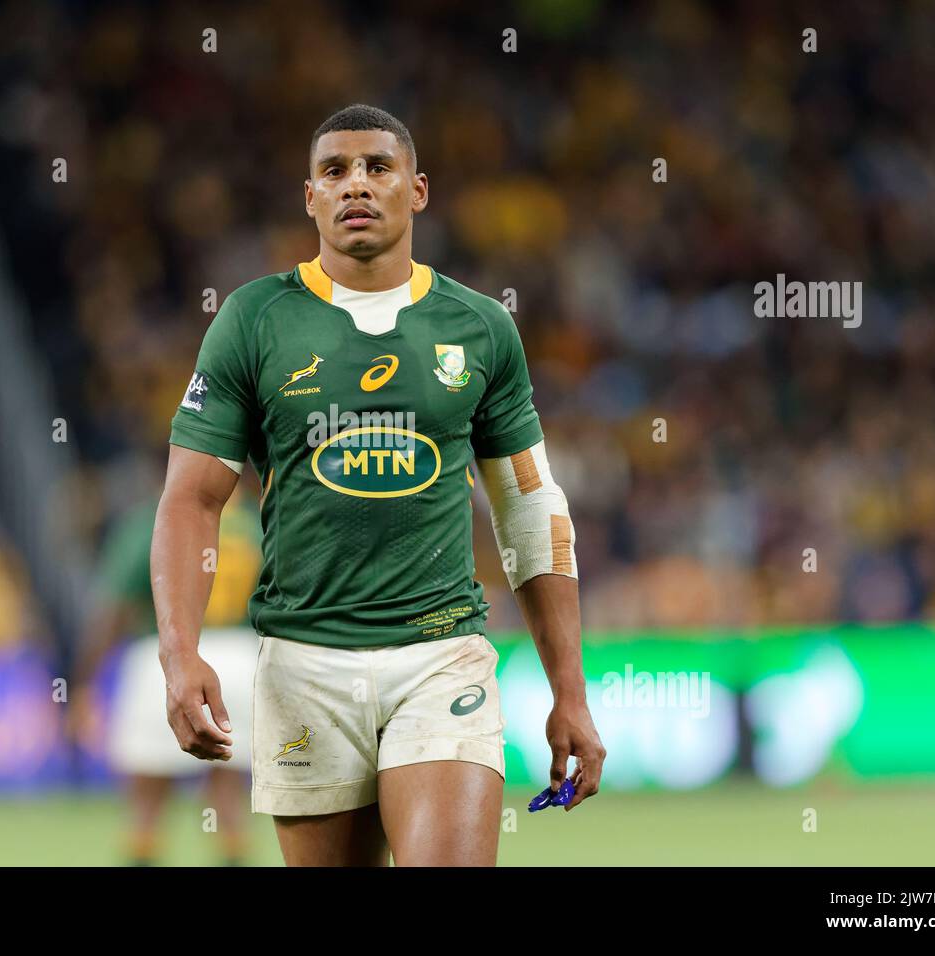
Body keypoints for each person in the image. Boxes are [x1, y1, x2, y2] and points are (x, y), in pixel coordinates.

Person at [151, 103, 604, 866]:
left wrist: (571, 690)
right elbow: (191, 501)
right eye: (335, 171)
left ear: (417, 190)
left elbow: (528, 509)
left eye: (377, 168)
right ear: (310, 197)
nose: (356, 184)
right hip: (303, 665)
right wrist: (178, 654)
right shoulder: (253, 320)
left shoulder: (481, 328)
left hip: (440, 656)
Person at [74, 482, 262, 865]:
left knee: (147, 796)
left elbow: (115, 611)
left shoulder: (152, 521)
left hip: (167, 658)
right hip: (243, 660)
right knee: (228, 795)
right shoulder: (257, 524)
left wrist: (82, 685)